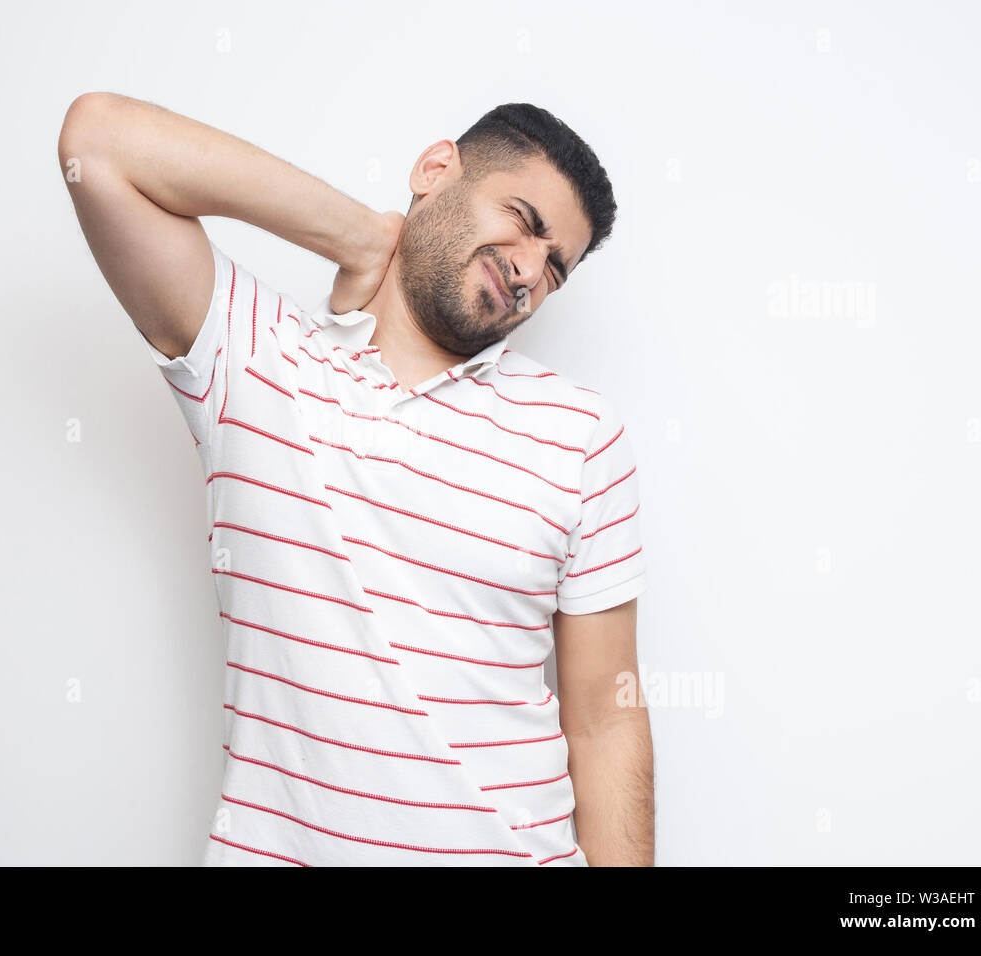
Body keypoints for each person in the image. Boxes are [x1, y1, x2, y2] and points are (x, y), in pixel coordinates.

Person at [57, 93, 652, 866]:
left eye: (556, 266)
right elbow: (97, 143)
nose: (529, 271)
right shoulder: (254, 359)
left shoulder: (580, 434)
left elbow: (608, 718)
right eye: (524, 220)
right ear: (437, 170)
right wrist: (364, 236)